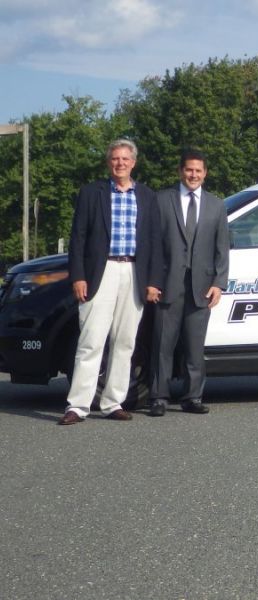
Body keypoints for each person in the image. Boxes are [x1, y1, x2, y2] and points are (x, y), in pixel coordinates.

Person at [59, 139, 162, 425]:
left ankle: (112, 402)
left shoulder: (147, 196)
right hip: (100, 272)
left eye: (125, 159)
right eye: (115, 158)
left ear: (134, 163)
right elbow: (78, 238)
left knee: (125, 342)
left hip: (133, 272)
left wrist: (153, 281)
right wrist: (78, 276)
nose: (120, 163)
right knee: (91, 341)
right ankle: (78, 405)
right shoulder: (92, 193)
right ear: (108, 162)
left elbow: (154, 241)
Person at [148, 149, 230, 416]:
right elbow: (152, 244)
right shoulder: (161, 200)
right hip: (167, 284)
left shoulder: (216, 205)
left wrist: (219, 283)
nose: (193, 175)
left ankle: (192, 396)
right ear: (180, 171)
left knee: (195, 347)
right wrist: (152, 281)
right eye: (189, 170)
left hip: (201, 287)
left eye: (198, 170)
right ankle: (159, 397)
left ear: (205, 173)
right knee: (163, 345)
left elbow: (222, 247)